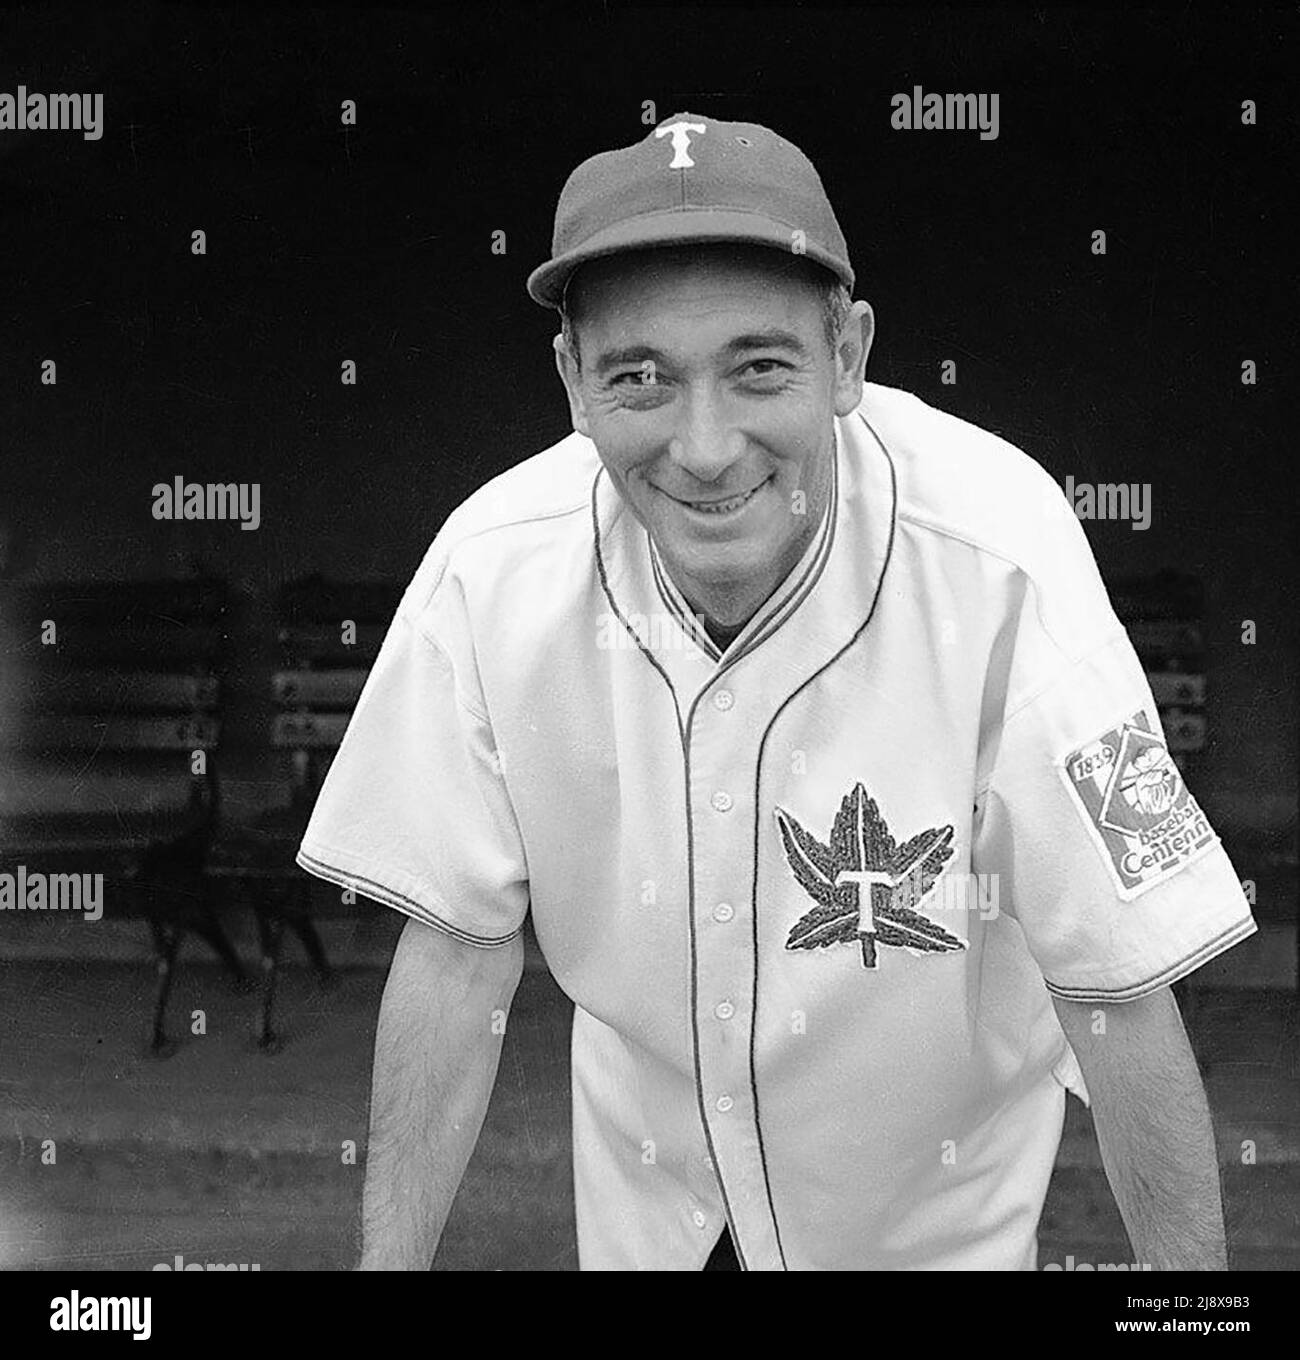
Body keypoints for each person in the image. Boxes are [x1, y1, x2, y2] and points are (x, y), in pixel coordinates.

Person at [297, 113, 1256, 1270]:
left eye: (758, 368)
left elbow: (1118, 985)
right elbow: (455, 954)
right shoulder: (495, 566)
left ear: (847, 356)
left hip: (927, 1220)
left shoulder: (999, 556)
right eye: (639, 378)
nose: (704, 447)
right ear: (572, 383)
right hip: (649, 1202)